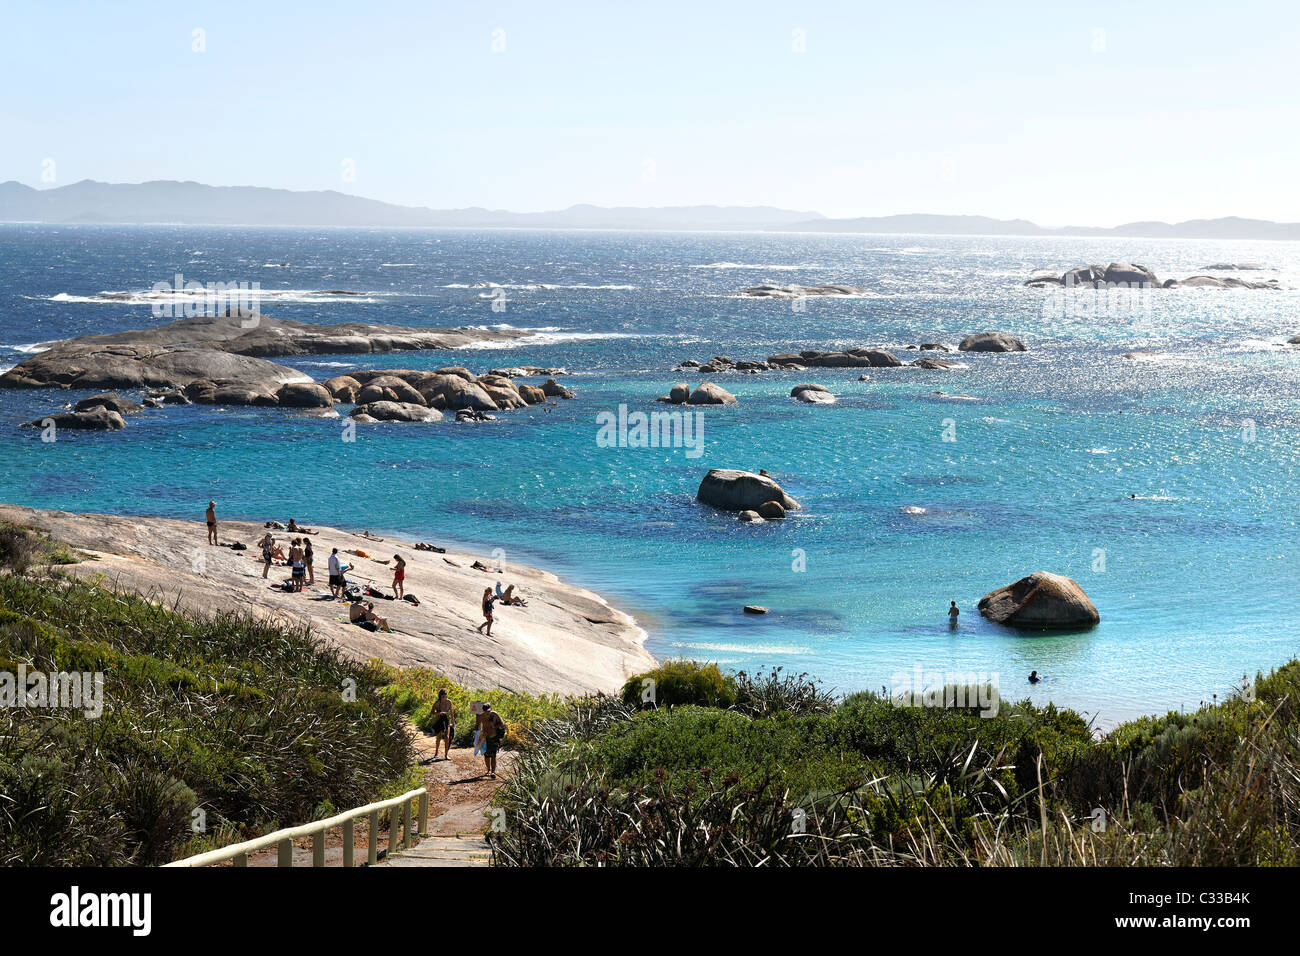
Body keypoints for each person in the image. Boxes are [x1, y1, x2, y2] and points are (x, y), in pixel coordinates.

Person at [477, 703, 505, 778]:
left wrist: (495, 726)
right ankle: (488, 770)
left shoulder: (495, 714)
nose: (488, 713)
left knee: (493, 755)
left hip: (494, 737)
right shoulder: (481, 716)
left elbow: (502, 724)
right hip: (485, 738)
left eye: (489, 711)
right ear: (484, 711)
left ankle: (493, 772)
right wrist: (481, 734)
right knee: (486, 756)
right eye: (486, 711)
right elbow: (478, 727)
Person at [431, 689, 454, 760]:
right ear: (440, 696)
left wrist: (453, 722)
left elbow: (451, 712)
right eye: (443, 695)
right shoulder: (437, 703)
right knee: (439, 737)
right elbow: (432, 712)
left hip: (447, 721)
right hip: (439, 721)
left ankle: (446, 755)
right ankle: (436, 752)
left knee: (447, 738)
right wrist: (438, 713)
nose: (444, 697)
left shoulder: (449, 702)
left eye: (445, 695)